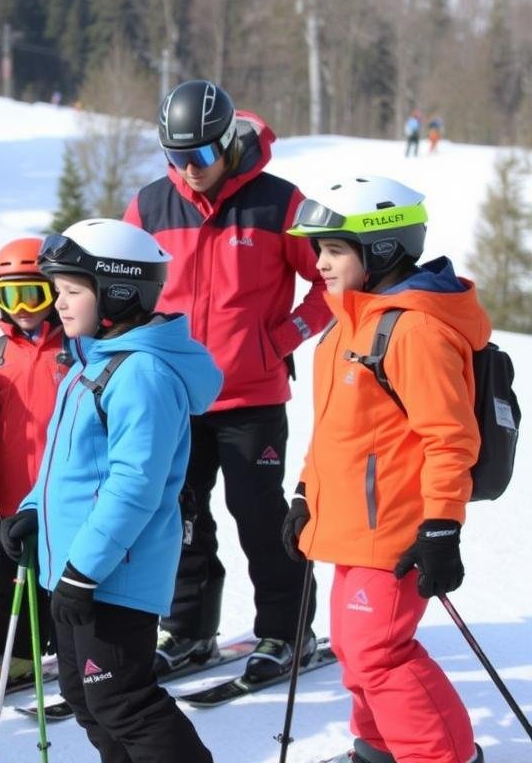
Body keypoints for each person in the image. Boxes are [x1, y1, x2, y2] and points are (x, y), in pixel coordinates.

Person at [124, 79, 329, 680]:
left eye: (203, 157)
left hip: (251, 396)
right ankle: (189, 632)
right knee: (179, 516)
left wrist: (282, 337)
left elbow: (330, 280)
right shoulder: (149, 206)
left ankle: (287, 634)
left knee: (259, 514)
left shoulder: (279, 203)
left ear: (227, 143)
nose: (190, 170)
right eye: (177, 158)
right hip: (175, 398)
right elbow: (128, 288)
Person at [0, 218, 222, 763]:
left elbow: (134, 485)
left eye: (73, 290)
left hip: (110, 573)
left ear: (119, 292)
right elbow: (65, 463)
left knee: (122, 699)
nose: (59, 303)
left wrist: (84, 570)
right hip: (78, 568)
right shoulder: (91, 364)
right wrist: (32, 510)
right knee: (86, 697)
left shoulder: (142, 374)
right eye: (58, 289)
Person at [284, 175, 487, 763]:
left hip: (398, 529)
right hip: (352, 526)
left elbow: (450, 440)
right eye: (318, 249)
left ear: (380, 250)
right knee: (354, 648)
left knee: (379, 652)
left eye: (333, 250)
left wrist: (442, 528)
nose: (318, 264)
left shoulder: (415, 329)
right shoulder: (346, 323)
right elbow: (336, 431)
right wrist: (305, 495)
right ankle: (378, 750)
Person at [0, 238, 69, 691]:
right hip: (14, 495)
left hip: (70, 493)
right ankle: (17, 656)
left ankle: (78, 658)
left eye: (35, 293)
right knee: (12, 580)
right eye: (10, 296)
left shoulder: (80, 345)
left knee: (71, 580)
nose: (23, 307)